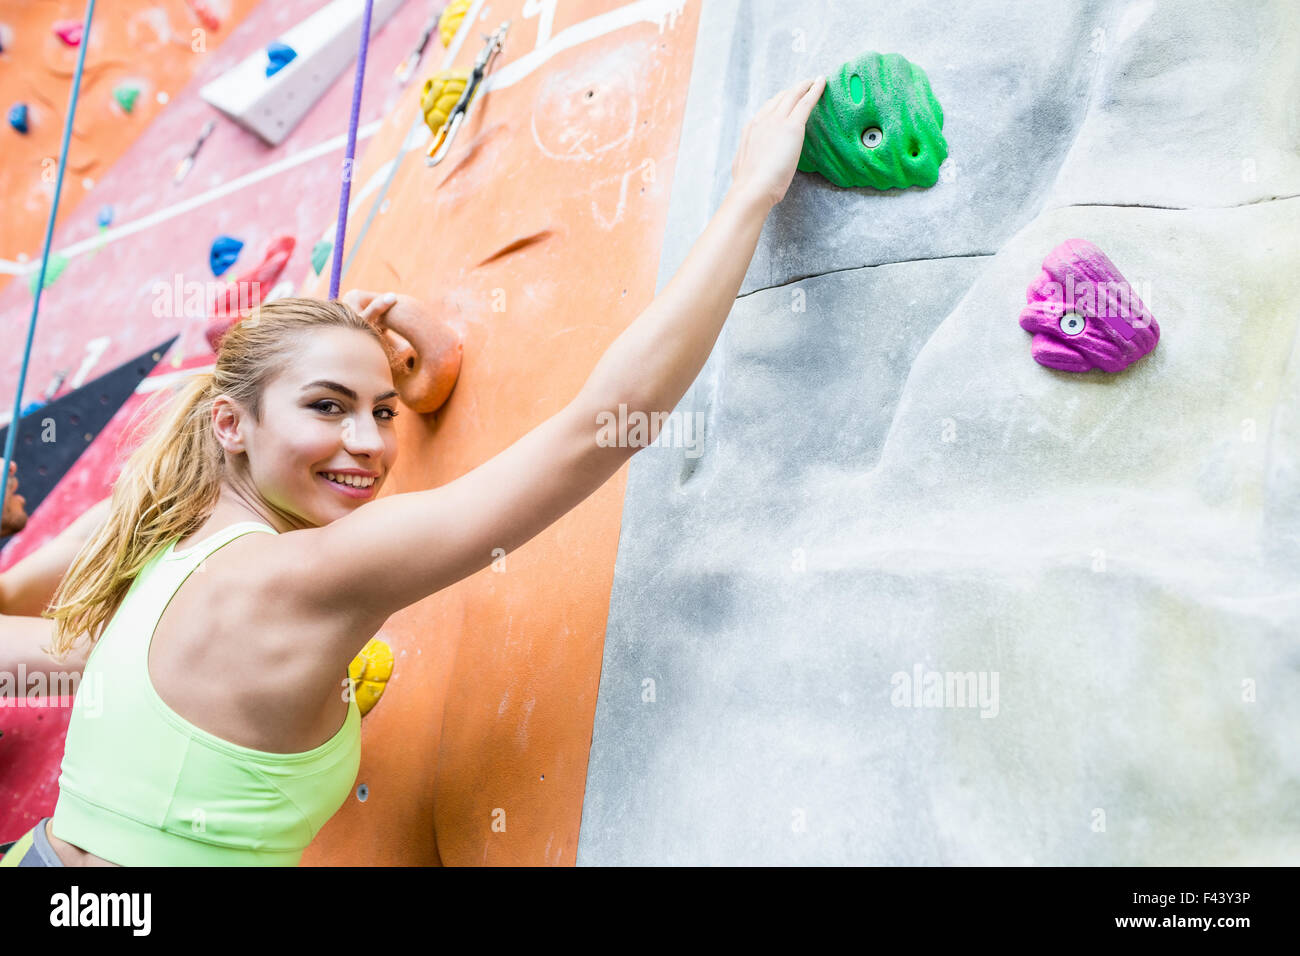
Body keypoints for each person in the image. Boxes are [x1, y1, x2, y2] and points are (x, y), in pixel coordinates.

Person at [0, 75, 828, 867]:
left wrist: (336, 373)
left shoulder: (160, 542)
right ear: (232, 424)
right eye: (328, 407)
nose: (367, 441)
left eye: (382, 411)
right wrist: (749, 195)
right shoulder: (316, 573)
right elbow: (597, 431)